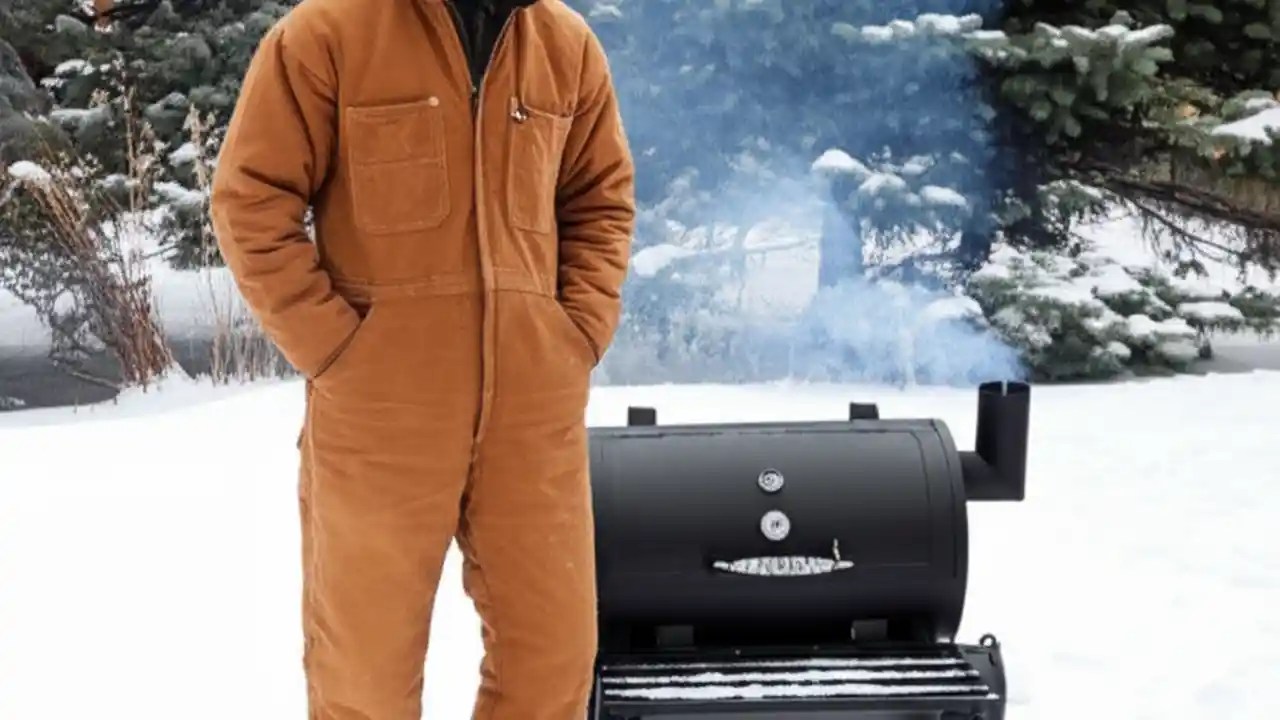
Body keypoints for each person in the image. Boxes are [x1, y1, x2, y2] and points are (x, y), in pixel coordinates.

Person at [209, 0, 635, 717]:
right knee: (363, 678)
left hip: (533, 414)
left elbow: (600, 200)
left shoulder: (565, 45)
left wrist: (576, 334)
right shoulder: (329, 32)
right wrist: (337, 351)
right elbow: (250, 199)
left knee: (553, 659)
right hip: (381, 415)